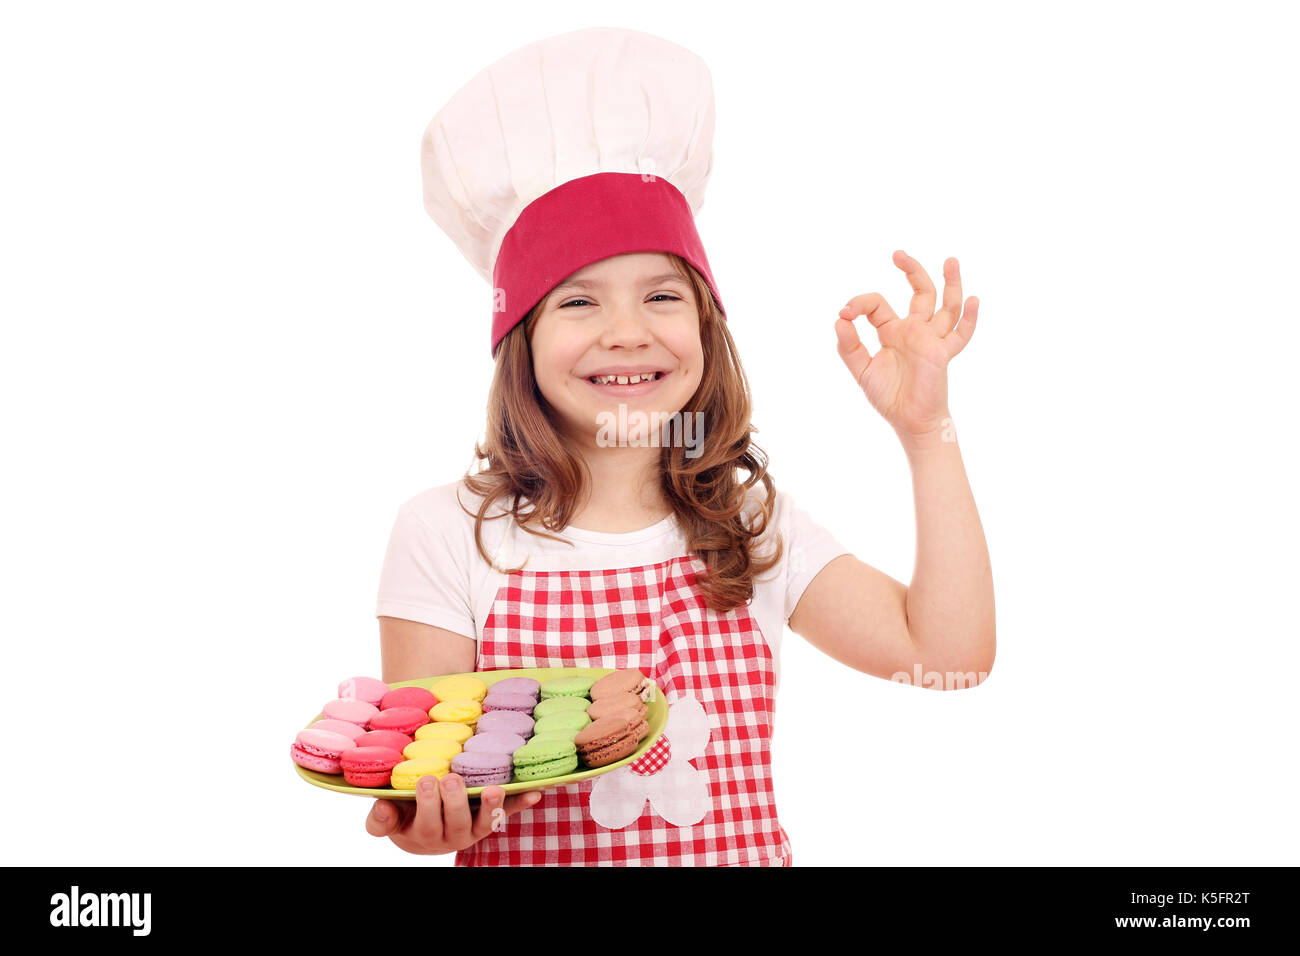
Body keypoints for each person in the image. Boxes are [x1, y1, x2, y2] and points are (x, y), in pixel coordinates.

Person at [364, 28, 994, 866]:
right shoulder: (445, 532)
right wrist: (430, 819)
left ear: (705, 325)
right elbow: (424, 774)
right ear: (519, 335)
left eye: (662, 294)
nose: (627, 333)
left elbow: (945, 655)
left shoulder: (751, 523)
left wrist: (925, 434)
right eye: (578, 303)